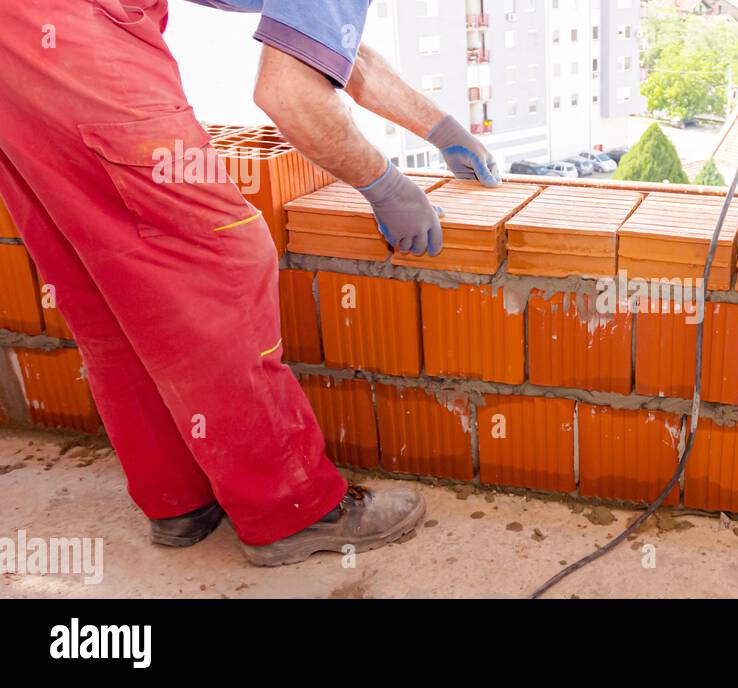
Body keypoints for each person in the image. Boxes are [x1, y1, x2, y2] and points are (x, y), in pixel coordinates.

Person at [0, 0, 499, 566]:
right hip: (75, 44)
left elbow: (327, 45)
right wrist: (383, 184)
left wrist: (440, 128)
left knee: (105, 274)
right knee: (220, 260)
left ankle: (178, 499)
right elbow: (289, 94)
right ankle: (289, 509)